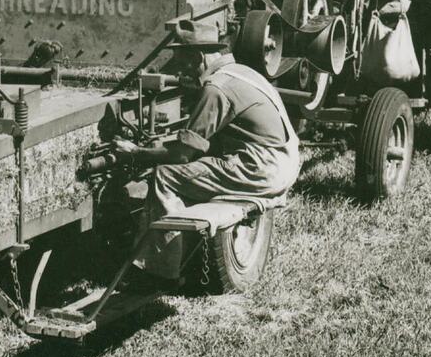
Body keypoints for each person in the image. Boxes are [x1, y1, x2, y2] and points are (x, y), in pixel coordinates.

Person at [112, 38, 300, 279]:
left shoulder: (216, 88)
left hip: (260, 168)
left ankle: (157, 271)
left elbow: (181, 156)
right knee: (191, 170)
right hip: (285, 161)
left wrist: (136, 152)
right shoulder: (242, 72)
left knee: (165, 176)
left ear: (199, 57)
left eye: (183, 63)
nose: (180, 71)